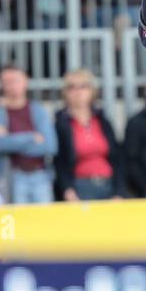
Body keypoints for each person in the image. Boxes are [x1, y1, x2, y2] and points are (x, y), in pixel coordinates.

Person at [0, 63, 57, 203]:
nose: (11, 86)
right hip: (12, 175)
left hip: (40, 175)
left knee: (43, 221)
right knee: (15, 221)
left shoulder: (37, 109)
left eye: (15, 80)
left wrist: (10, 140)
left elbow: (49, 146)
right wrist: (31, 137)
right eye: (6, 82)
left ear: (25, 81)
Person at [53, 69, 124, 201]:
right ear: (65, 92)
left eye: (83, 86)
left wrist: (118, 191)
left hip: (108, 185)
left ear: (92, 91)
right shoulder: (61, 123)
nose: (78, 92)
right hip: (79, 187)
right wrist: (67, 190)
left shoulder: (102, 120)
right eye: (71, 87)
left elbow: (117, 158)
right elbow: (59, 162)